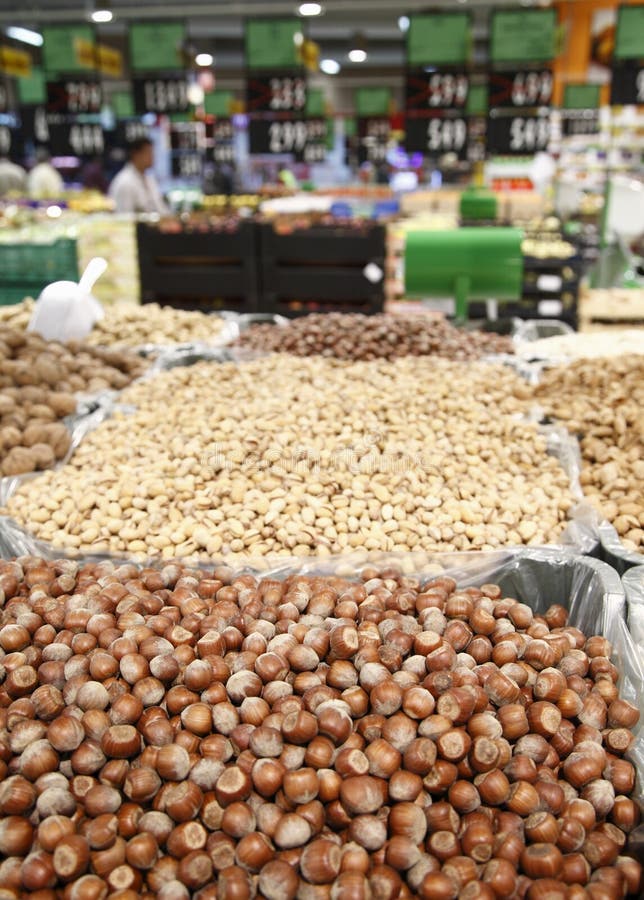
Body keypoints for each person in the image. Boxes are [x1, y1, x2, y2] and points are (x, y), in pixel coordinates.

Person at [108, 137, 168, 215]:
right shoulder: (125, 182)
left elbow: (161, 209)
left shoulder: (149, 179)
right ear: (135, 154)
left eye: (152, 153)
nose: (152, 157)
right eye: (148, 153)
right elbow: (124, 217)